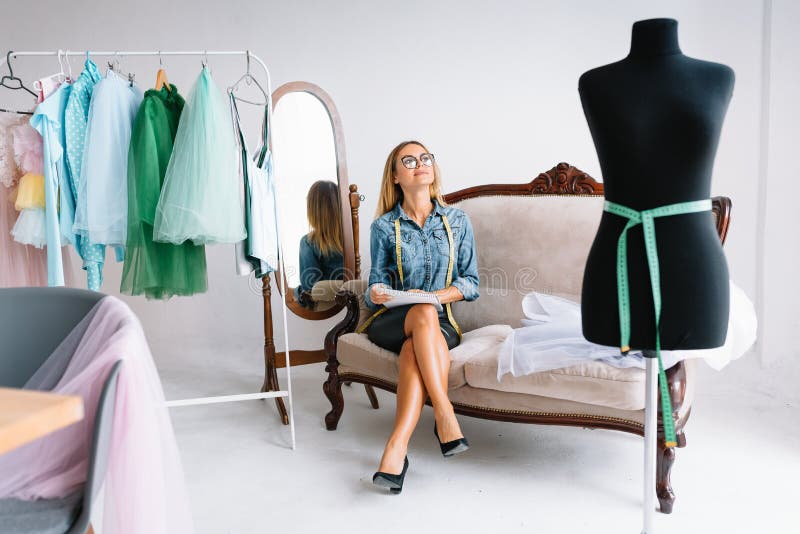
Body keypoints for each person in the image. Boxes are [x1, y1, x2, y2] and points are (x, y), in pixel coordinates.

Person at [363, 140, 479, 493]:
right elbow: (375, 285)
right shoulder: (384, 227)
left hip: (440, 325)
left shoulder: (457, 221)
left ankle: (396, 448)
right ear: (395, 177)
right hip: (393, 322)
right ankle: (444, 414)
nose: (420, 164)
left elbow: (470, 282)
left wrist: (434, 298)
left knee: (417, 340)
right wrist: (376, 291)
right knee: (421, 313)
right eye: (410, 161)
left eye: (425, 158)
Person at [293, 180, 345, 307]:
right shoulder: (353, 236)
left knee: (295, 293)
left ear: (313, 211)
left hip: (325, 304)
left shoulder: (308, 242)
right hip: (350, 300)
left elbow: (309, 287)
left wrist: (296, 292)